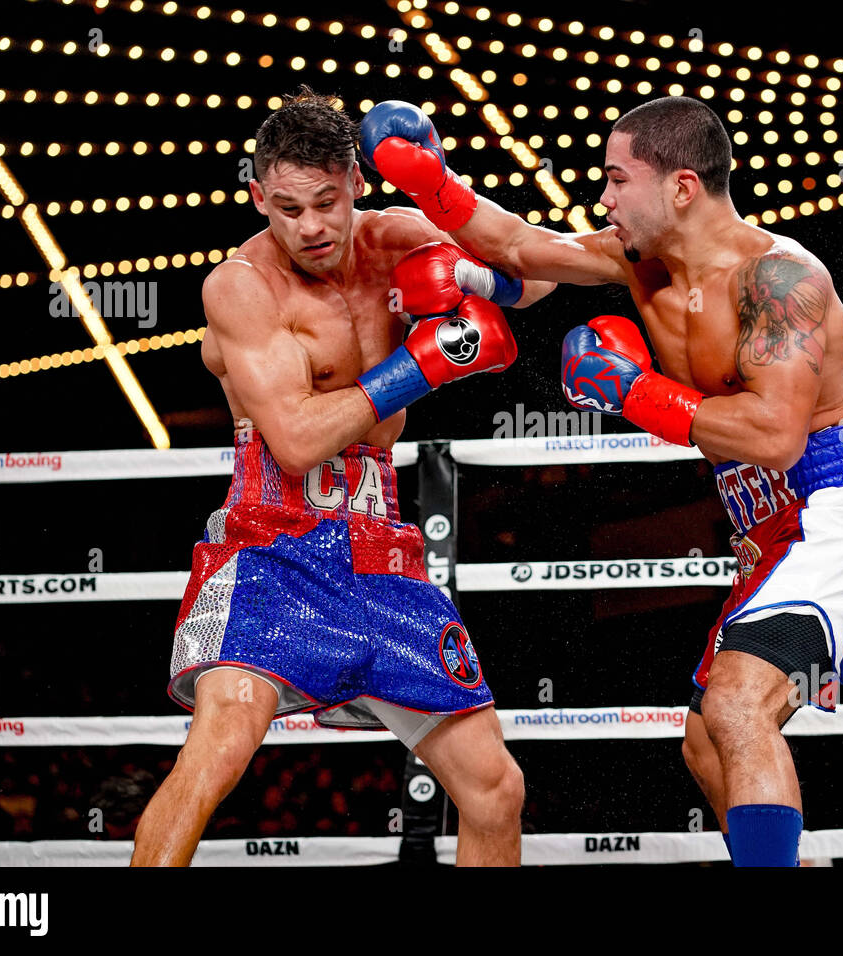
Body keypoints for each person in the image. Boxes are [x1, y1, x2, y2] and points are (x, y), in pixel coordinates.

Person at [361, 95, 843, 866]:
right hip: (764, 533)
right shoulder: (638, 261)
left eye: (618, 180)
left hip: (835, 512)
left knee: (737, 705)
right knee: (704, 746)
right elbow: (522, 246)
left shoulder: (781, 277)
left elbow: (775, 436)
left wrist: (632, 392)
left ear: (681, 188)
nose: (604, 198)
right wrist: (432, 182)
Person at [130, 88, 554, 867]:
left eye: (327, 201)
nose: (311, 227)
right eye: (287, 208)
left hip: (380, 545)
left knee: (497, 788)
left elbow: (537, 273)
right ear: (259, 196)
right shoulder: (241, 287)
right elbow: (292, 440)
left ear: (358, 181)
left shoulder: (397, 239)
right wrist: (427, 363)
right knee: (215, 755)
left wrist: (451, 207)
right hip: (270, 548)